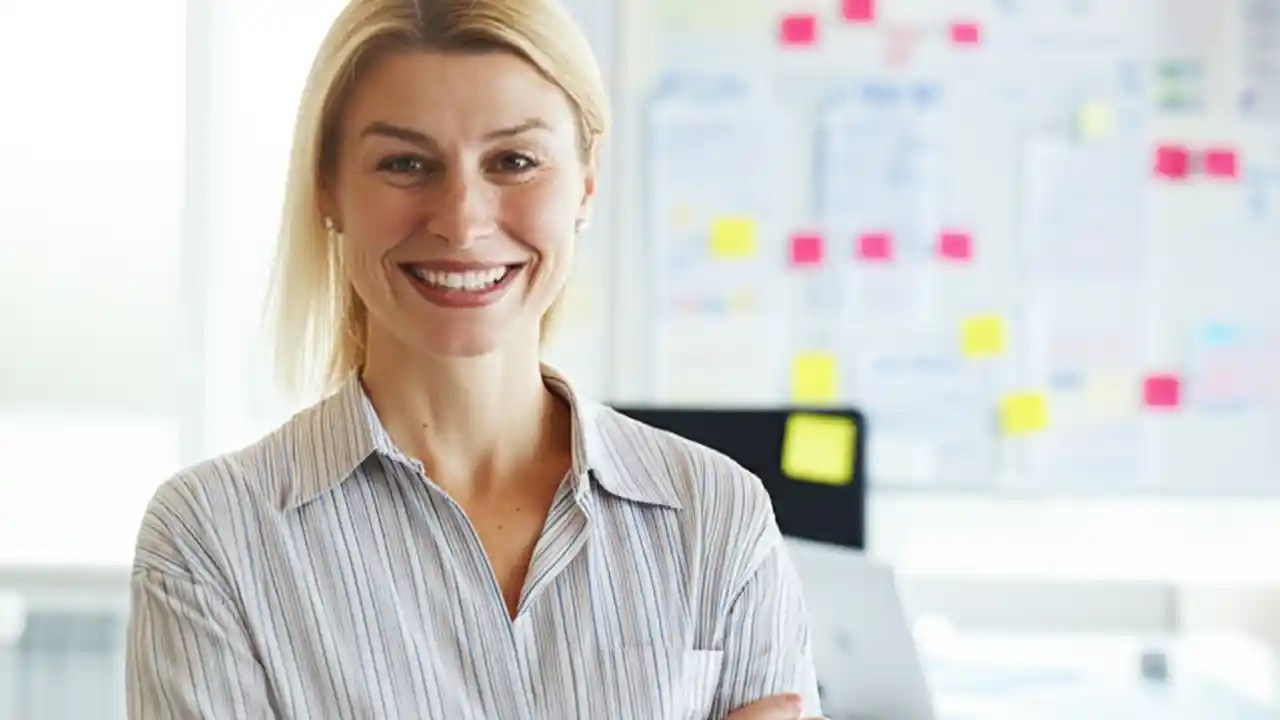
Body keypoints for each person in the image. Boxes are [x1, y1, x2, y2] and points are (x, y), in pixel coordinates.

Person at [125, 1, 824, 718]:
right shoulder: (212, 539)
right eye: (405, 163)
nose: (461, 221)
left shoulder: (715, 516)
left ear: (585, 182)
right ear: (327, 188)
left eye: (514, 161)